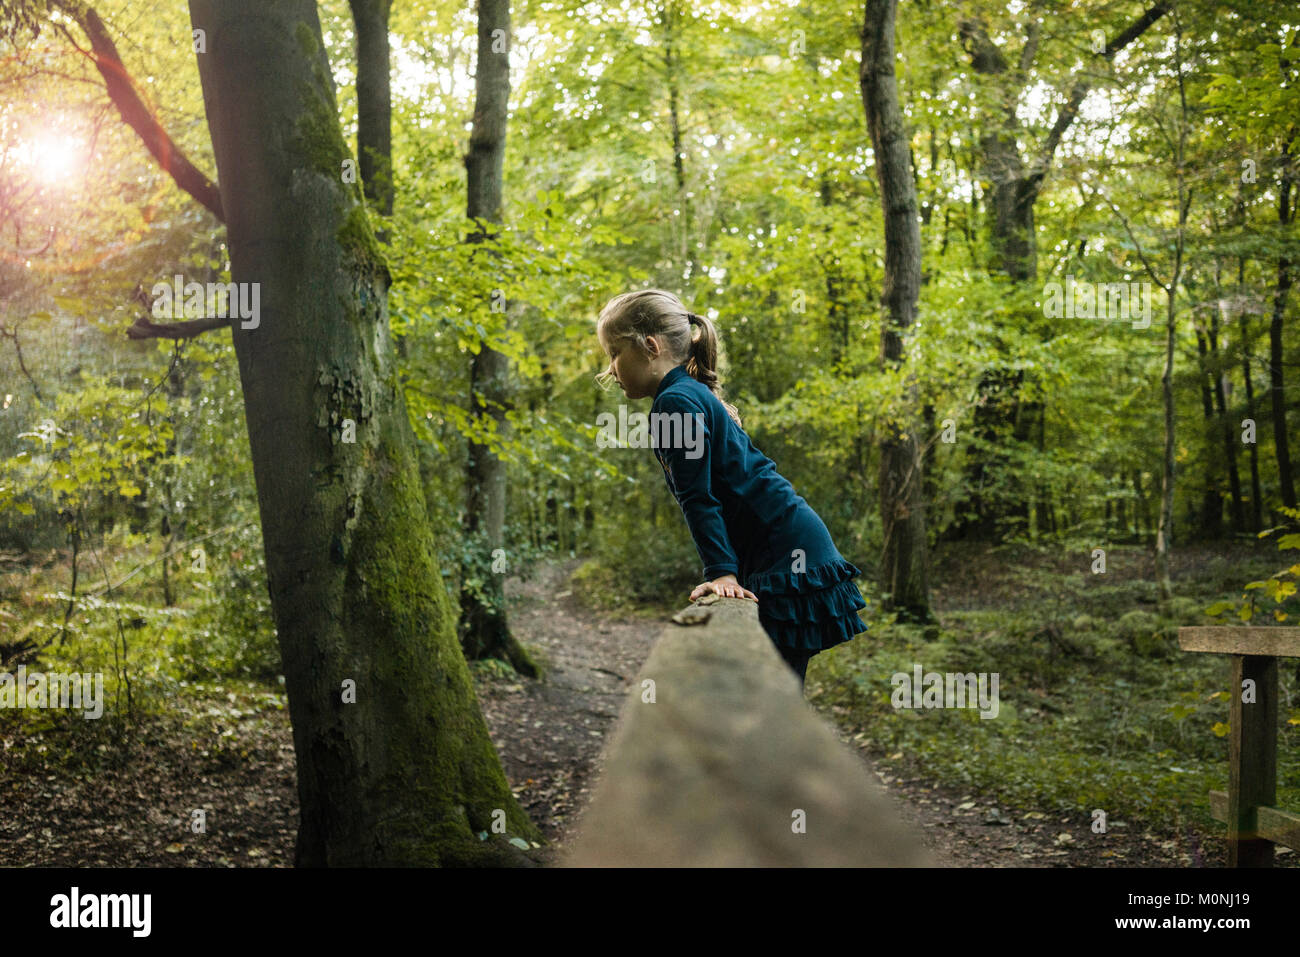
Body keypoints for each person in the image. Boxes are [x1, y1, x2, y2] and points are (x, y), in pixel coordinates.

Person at [595, 289, 868, 690]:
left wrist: (722, 573)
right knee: (772, 694)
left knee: (765, 696)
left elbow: (698, 497)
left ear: (649, 347)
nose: (610, 371)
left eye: (614, 353)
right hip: (794, 545)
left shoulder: (675, 403)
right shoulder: (689, 394)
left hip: (784, 555)